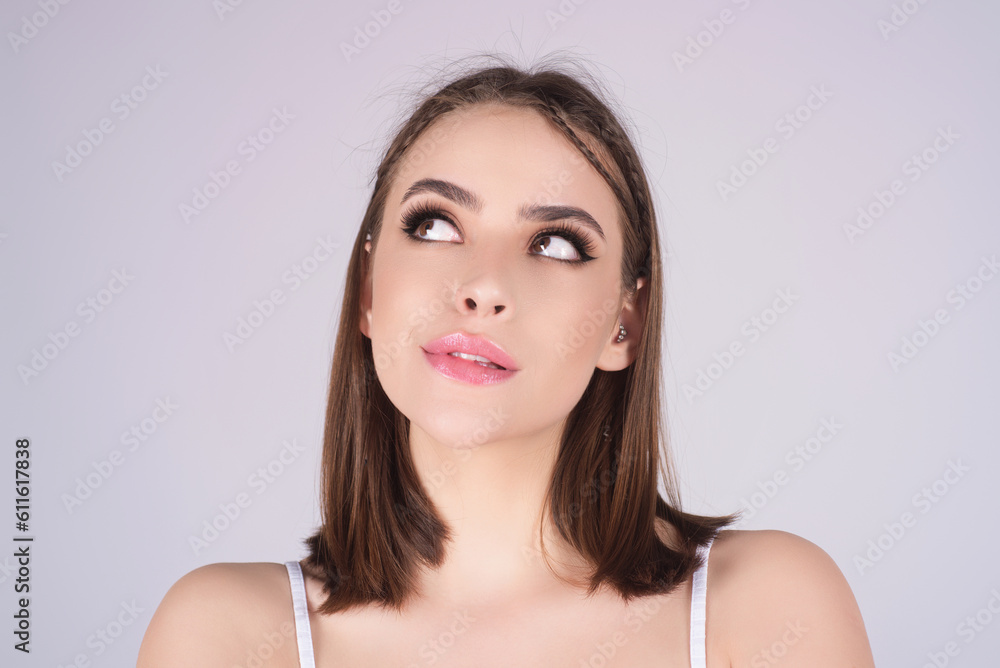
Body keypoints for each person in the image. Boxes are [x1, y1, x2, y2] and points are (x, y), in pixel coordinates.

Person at [137, 53, 875, 667]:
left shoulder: (768, 607)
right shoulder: (223, 636)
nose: (485, 285)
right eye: (434, 225)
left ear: (625, 324)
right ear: (367, 290)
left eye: (556, 243)